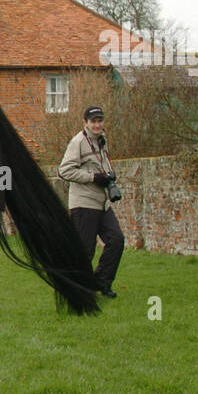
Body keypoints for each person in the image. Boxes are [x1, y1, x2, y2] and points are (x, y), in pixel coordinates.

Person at [58, 106, 124, 298]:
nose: (97, 125)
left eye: (99, 121)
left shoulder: (102, 141)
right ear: (85, 123)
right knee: (85, 250)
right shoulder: (77, 142)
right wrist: (93, 178)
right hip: (83, 204)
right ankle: (77, 289)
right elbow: (64, 171)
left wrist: (109, 175)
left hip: (102, 203)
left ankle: (102, 282)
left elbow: (100, 165)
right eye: (93, 121)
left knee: (116, 240)